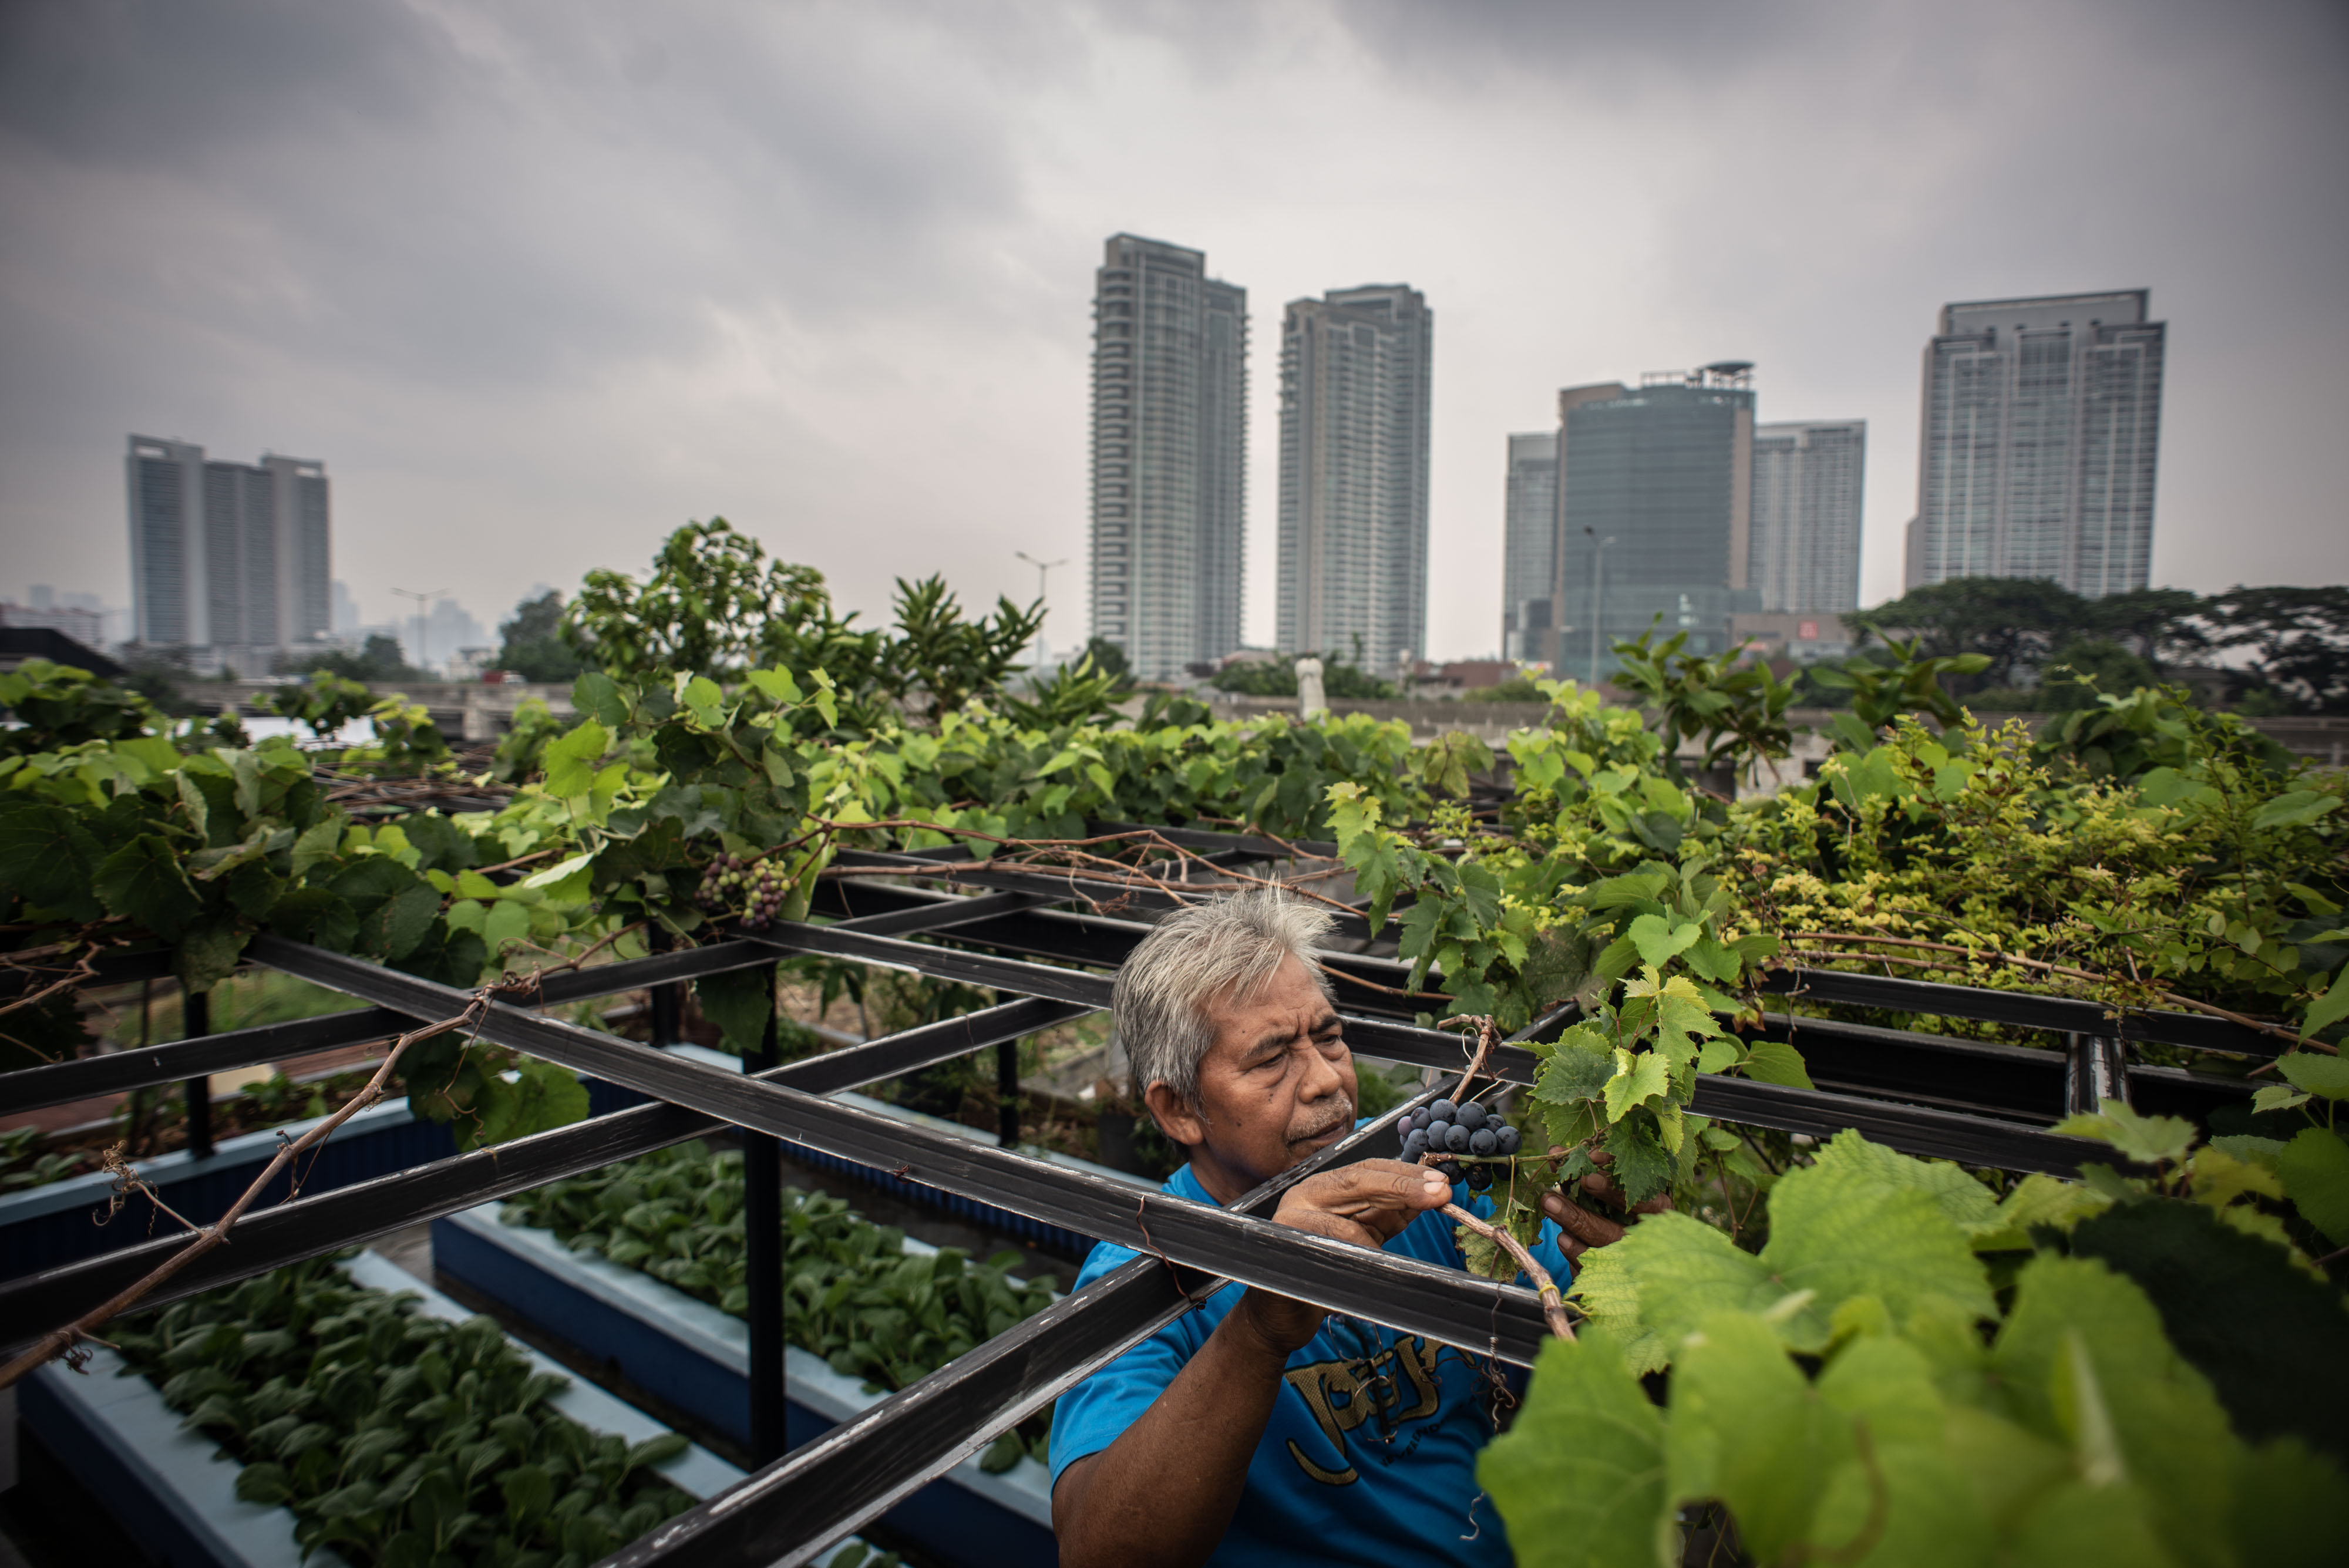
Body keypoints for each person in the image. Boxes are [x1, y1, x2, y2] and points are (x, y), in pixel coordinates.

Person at [1049, 891, 1660, 1568]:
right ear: (1179, 1110)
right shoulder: (1144, 1276)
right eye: (1271, 1058)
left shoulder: (1425, 1196)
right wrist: (1259, 1332)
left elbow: (1593, 1330)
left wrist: (1642, 1281)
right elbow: (1098, 1553)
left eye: (1329, 1036)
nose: (1326, 1080)